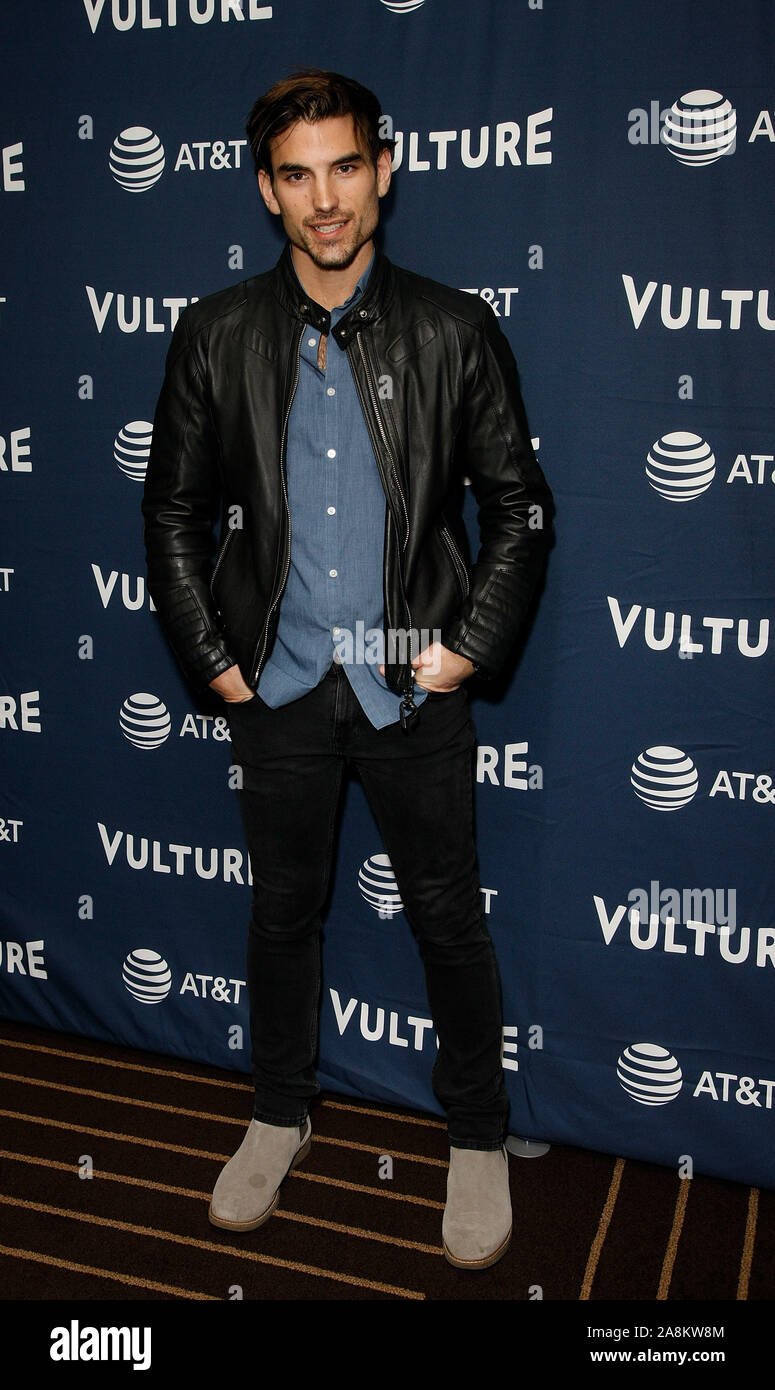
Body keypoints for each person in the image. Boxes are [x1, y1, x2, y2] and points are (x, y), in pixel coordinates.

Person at [142, 68, 552, 1271]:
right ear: (267, 191)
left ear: (384, 170)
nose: (325, 199)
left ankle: (476, 1130)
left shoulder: (451, 326)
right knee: (282, 914)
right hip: (274, 687)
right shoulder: (216, 332)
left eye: (343, 166)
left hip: (411, 683)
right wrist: (216, 663)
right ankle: (279, 1110)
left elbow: (518, 510)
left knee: (445, 917)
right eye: (296, 173)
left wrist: (467, 645)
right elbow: (173, 514)